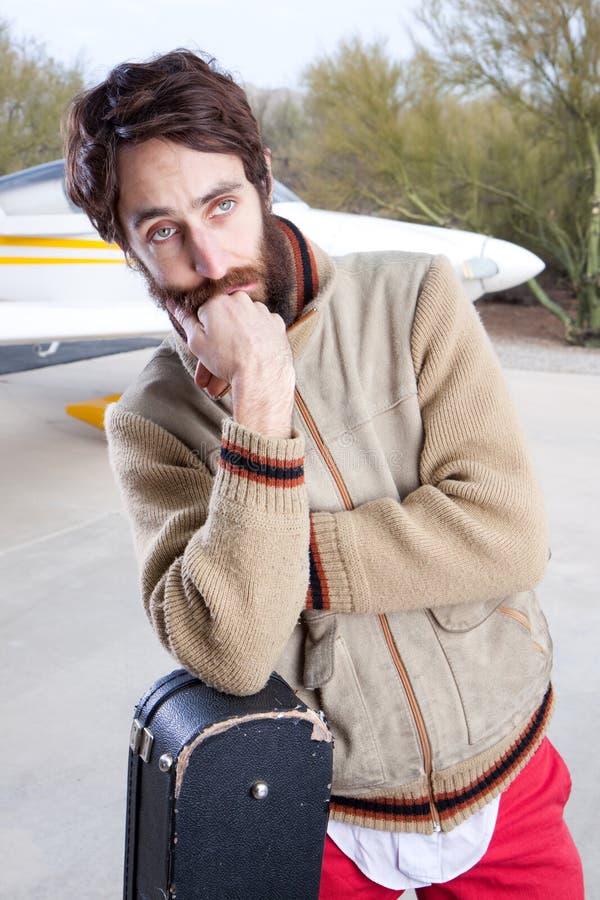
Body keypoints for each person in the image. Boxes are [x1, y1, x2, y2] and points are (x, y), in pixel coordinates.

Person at [63, 49, 584, 898]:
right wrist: (260, 400)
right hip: (323, 816)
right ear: (129, 249)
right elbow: (229, 652)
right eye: (162, 230)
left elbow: (506, 534)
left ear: (263, 178)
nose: (208, 255)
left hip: (506, 771)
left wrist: (276, 564)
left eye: (222, 205)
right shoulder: (152, 422)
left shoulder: (414, 298)